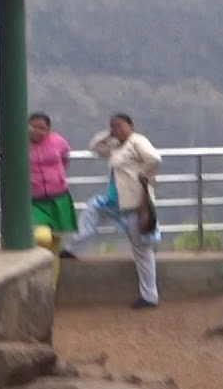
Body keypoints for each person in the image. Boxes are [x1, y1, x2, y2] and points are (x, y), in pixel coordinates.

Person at [60, 113, 163, 309]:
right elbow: (95, 146)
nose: (117, 129)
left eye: (120, 125)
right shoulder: (117, 146)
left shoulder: (137, 141)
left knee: (141, 250)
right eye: (113, 126)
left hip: (135, 202)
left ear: (131, 126)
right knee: (93, 208)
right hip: (115, 200)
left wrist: (145, 175)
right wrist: (109, 133)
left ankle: (150, 296)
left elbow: (154, 159)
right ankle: (73, 247)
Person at [28, 112, 76, 286]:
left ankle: (50, 290)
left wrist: (57, 178)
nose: (37, 131)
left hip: (58, 198)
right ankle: (37, 275)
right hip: (34, 200)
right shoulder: (19, 142)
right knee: (42, 238)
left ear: (49, 129)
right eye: (33, 126)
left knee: (54, 248)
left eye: (42, 128)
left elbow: (64, 159)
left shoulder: (58, 142)